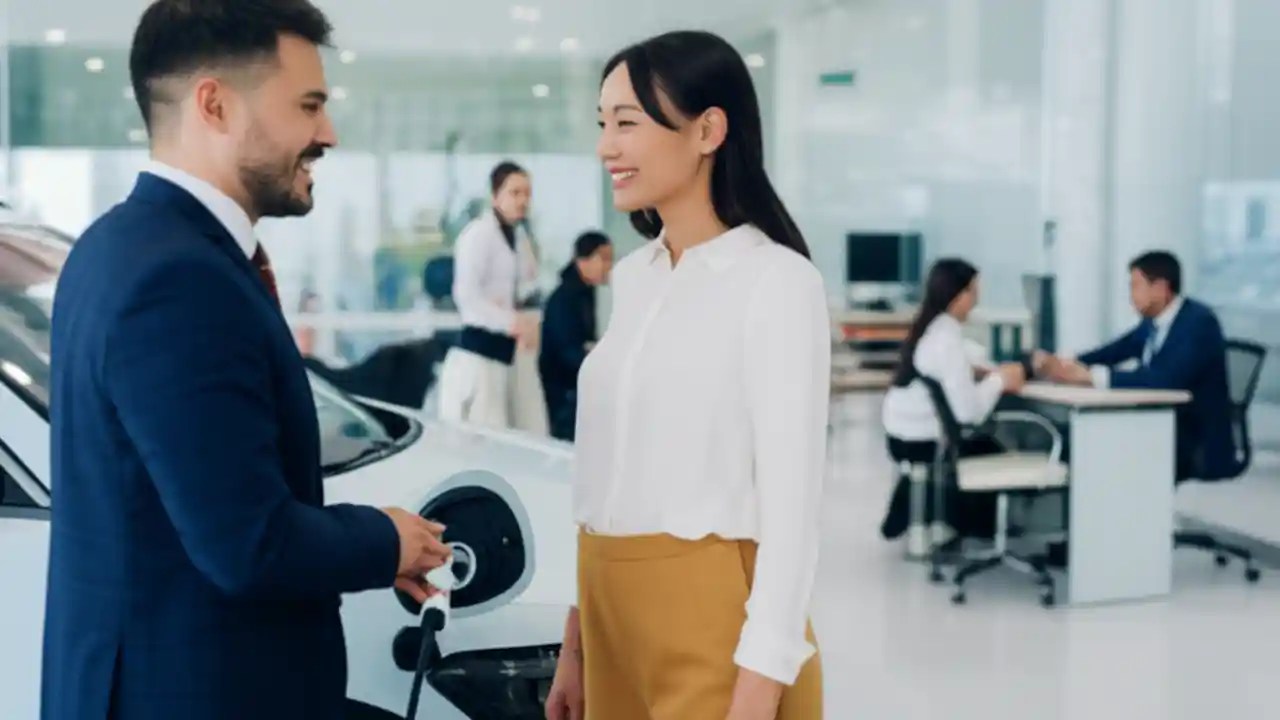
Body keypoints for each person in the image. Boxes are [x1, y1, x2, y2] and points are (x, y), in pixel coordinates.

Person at [43, 2, 450, 719]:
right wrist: (386, 540)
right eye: (308, 106)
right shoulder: (179, 278)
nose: (328, 133)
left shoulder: (112, 247)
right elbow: (247, 541)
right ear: (215, 104)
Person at [545, 31, 827, 720]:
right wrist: (574, 650)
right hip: (609, 610)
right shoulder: (635, 275)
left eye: (628, 123)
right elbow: (603, 477)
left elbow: (793, 513)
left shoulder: (777, 281)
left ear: (708, 129)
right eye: (603, 124)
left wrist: (758, 693)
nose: (606, 146)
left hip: (710, 620)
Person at [1037, 250, 1234, 480]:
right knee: (1079, 437)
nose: (1131, 295)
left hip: (1192, 439)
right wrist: (1066, 362)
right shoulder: (1153, 323)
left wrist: (1090, 377)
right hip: (1158, 426)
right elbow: (1115, 351)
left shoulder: (1199, 323)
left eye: (1135, 286)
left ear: (1160, 288)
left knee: (1092, 442)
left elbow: (1164, 381)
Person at [878, 259, 1028, 541]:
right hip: (924, 440)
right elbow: (968, 414)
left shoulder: (932, 329)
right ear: (957, 295)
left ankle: (928, 516)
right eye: (973, 292)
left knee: (984, 444)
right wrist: (1000, 380)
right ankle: (980, 528)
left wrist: (980, 369)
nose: (977, 299)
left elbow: (956, 360)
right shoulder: (946, 339)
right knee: (991, 447)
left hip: (901, 433)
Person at [438, 161, 541, 429]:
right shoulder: (477, 235)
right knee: (485, 437)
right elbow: (467, 297)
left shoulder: (518, 236)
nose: (522, 201)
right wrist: (511, 322)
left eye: (527, 194)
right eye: (515, 193)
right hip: (479, 351)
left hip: (506, 353)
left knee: (515, 428)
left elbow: (528, 282)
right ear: (495, 196)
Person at [538, 231, 614, 442]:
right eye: (604, 258)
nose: (609, 265)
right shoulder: (564, 299)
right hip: (566, 397)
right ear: (583, 260)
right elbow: (568, 351)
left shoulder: (585, 294)